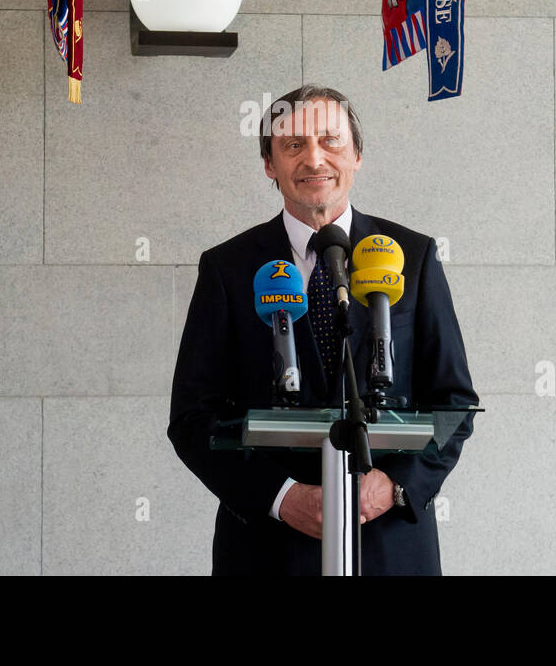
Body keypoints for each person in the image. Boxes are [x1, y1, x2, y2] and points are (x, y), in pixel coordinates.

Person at [168, 85, 478, 575]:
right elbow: (191, 419)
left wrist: (394, 486)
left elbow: (454, 403)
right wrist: (282, 497)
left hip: (389, 547)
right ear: (270, 165)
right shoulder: (227, 269)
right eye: (293, 145)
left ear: (357, 156)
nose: (314, 158)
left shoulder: (412, 257)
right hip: (268, 551)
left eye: (330, 140)